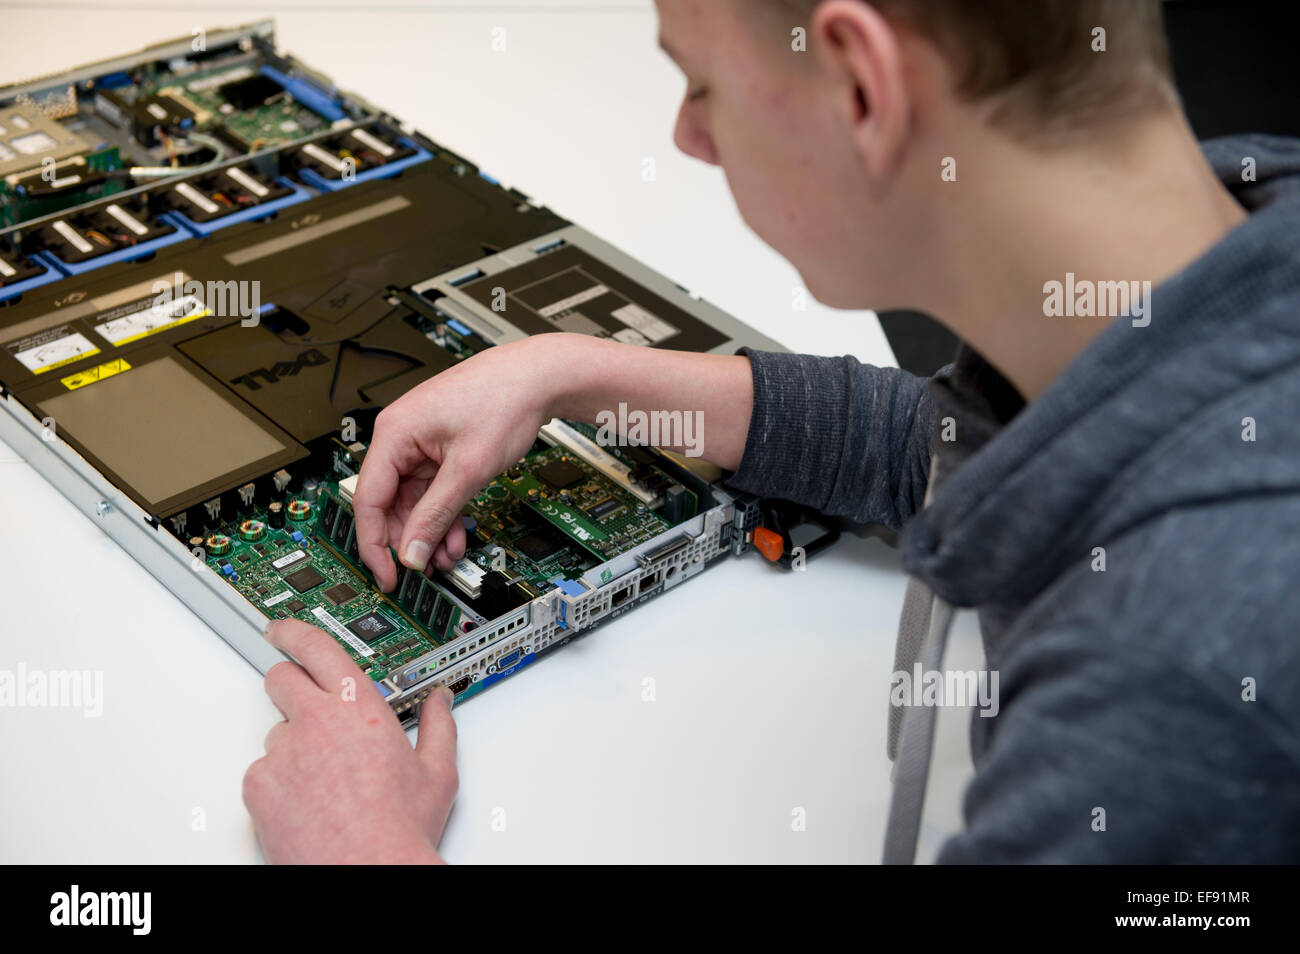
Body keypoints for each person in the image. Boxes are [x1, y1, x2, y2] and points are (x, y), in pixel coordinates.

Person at [241, 0, 1300, 863]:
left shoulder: (1167, 699)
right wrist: (567, 372)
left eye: (699, 84)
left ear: (860, 86)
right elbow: (937, 448)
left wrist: (365, 850)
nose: (686, 137)